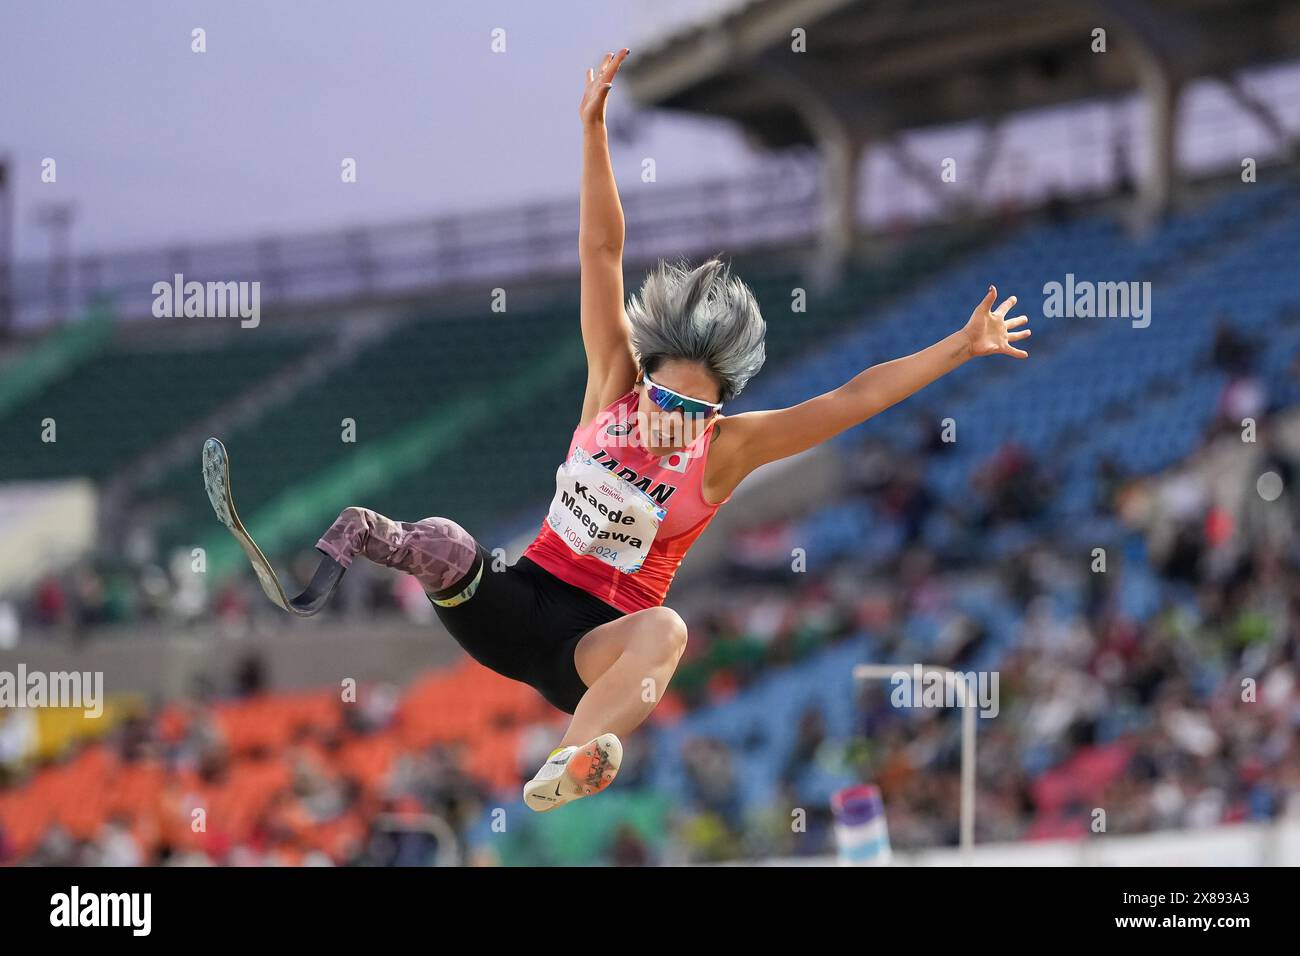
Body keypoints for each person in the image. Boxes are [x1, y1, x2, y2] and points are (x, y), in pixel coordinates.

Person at [218, 48, 1031, 812]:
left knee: (670, 629)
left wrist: (960, 347)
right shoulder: (612, 383)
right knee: (448, 541)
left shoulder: (729, 450)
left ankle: (570, 761)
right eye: (669, 401)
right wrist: (594, 131)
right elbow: (602, 251)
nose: (678, 423)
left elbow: (852, 398)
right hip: (515, 606)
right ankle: (357, 546)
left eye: (697, 411)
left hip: (596, 655)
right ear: (648, 381)